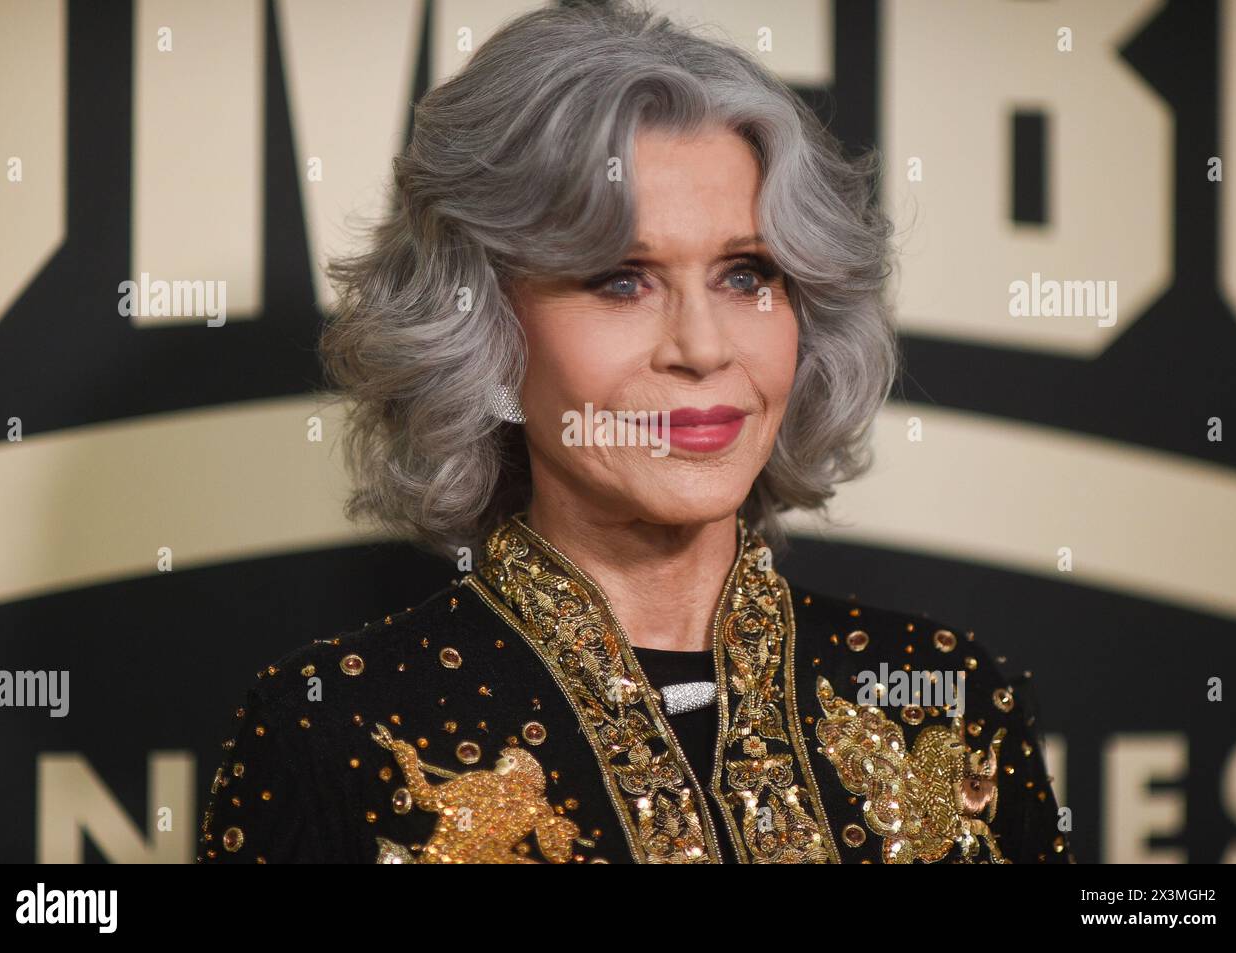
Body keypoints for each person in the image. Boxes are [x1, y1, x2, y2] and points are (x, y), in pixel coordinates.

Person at [197, 0, 1072, 864]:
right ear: (485, 334)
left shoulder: (949, 696)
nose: (702, 347)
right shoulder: (334, 730)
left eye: (745, 274)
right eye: (621, 280)